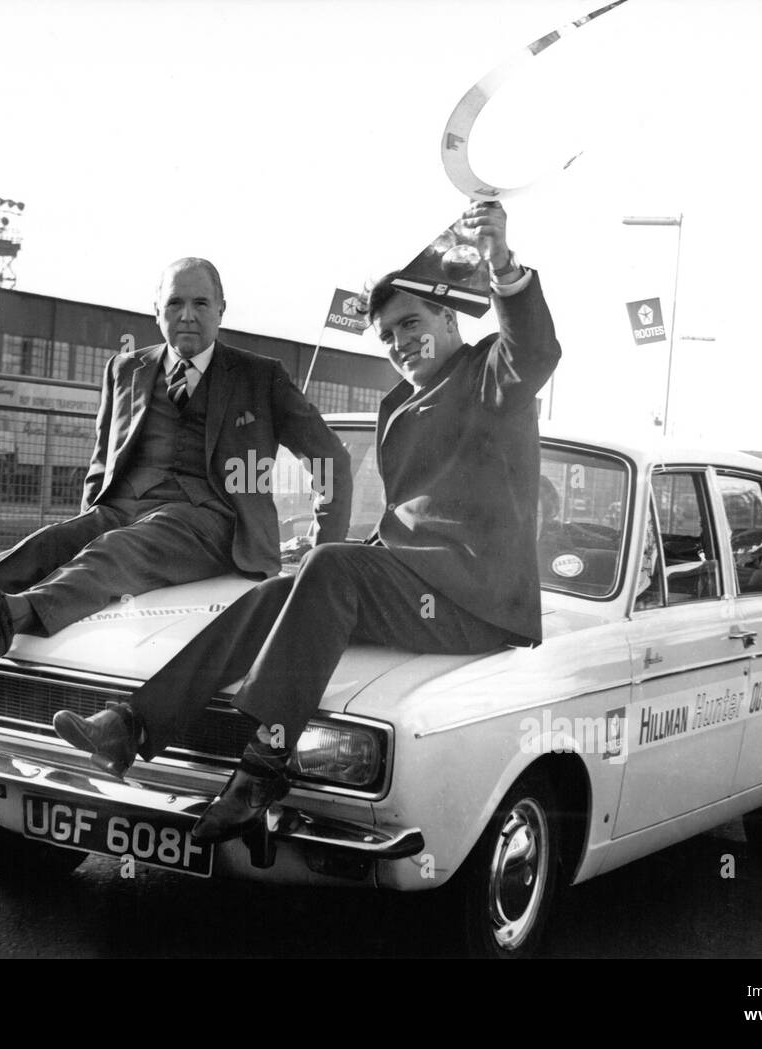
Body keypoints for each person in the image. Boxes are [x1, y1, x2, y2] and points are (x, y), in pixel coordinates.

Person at [55, 201, 562, 843]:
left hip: (479, 602)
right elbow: (409, 521)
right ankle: (131, 726)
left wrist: (503, 267)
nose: (401, 344)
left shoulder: (491, 374)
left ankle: (263, 766)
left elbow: (534, 349)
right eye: (387, 337)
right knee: (277, 590)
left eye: (412, 325)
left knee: (327, 565)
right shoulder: (398, 404)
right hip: (423, 585)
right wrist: (336, 570)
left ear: (449, 318)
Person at [0, 257, 351, 664]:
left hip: (212, 522)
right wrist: (86, 521)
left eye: (201, 303)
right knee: (53, 543)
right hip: (124, 505)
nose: (187, 314)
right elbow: (101, 460)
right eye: (174, 303)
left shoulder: (260, 376)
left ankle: (14, 615)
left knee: (118, 549)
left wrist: (322, 548)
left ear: (222, 310)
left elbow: (329, 457)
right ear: (155, 311)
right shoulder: (126, 368)